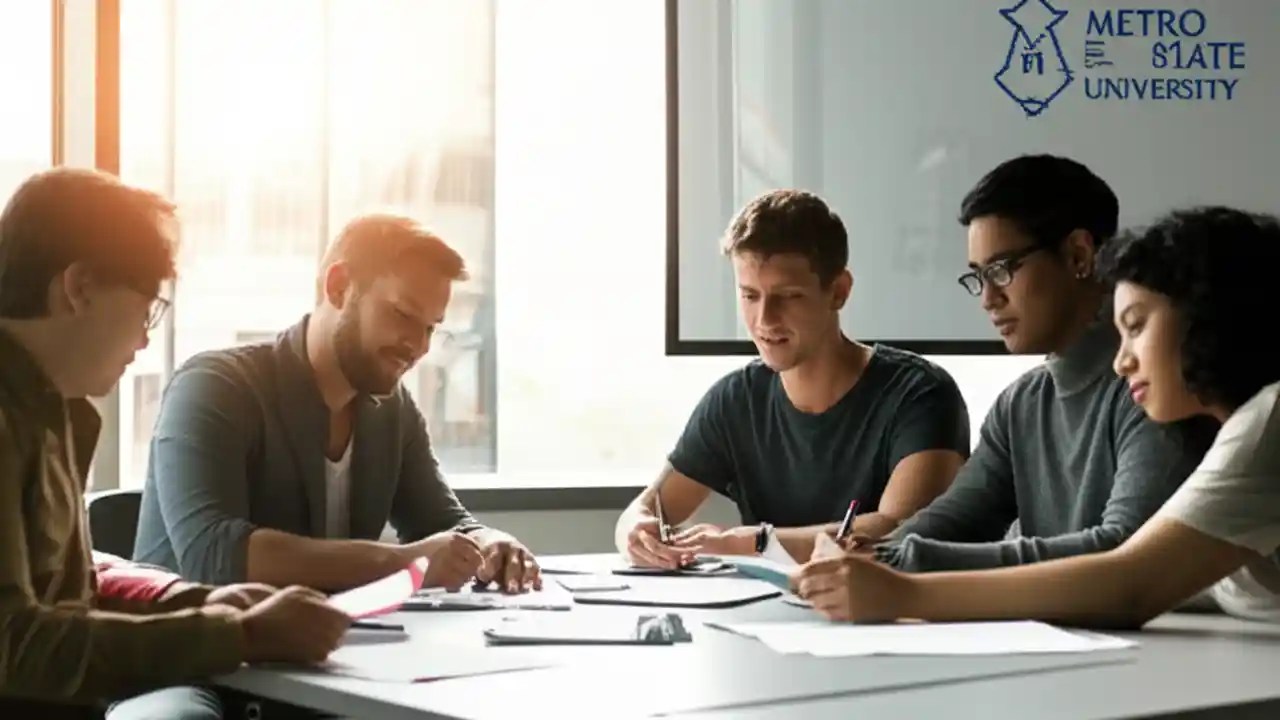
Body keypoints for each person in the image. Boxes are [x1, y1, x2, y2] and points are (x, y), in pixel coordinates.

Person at [795, 206, 1280, 627]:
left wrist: (902, 590)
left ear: (1206, 315)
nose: (1121, 360)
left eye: (1136, 327)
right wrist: (885, 556)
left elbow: (1130, 582)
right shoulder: (1239, 429)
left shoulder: (1267, 421)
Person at [0, 168, 351, 719]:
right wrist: (238, 639)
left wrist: (207, 607)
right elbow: (13, 645)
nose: (144, 338)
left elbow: (61, 599)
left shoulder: (49, 413)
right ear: (79, 287)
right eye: (147, 309)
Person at [134, 213, 540, 597]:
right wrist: (404, 562)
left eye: (431, 328)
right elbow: (213, 555)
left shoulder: (392, 411)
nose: (418, 346)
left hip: (325, 655)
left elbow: (442, 524)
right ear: (339, 287)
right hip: (197, 657)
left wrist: (489, 543)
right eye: (402, 314)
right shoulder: (213, 386)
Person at [867, 155, 1212, 573]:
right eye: (978, 275)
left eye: (1001, 269)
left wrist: (905, 558)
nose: (987, 298)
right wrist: (873, 554)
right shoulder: (1021, 403)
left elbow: (1126, 549)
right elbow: (956, 518)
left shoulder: (1156, 388)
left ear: (1079, 255)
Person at [615, 189, 971, 567]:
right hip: (765, 616)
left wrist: (752, 542)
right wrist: (637, 530)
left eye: (788, 296)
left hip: (888, 619)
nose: (764, 320)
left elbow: (900, 529)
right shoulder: (736, 399)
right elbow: (646, 508)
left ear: (838, 291)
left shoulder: (921, 394)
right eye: (749, 296)